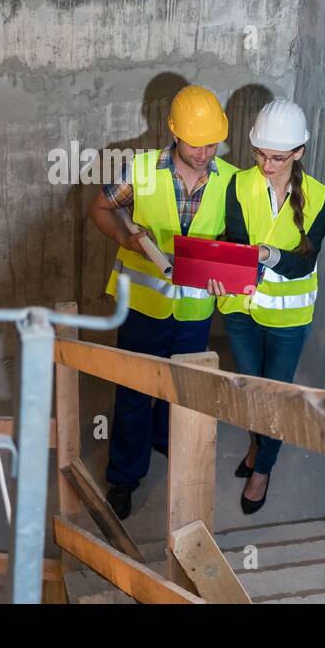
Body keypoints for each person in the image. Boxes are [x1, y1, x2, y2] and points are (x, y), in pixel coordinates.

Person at [88, 84, 239, 520]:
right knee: (135, 391)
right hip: (144, 307)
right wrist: (126, 240)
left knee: (182, 390)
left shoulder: (231, 181)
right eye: (195, 142)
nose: (204, 152)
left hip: (194, 311)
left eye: (212, 142)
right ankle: (123, 477)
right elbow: (98, 209)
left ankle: (164, 440)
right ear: (174, 132)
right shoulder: (140, 170)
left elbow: (236, 244)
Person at [206, 99, 325, 514]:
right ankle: (257, 448)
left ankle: (263, 468)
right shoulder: (237, 184)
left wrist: (267, 256)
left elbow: (303, 262)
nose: (266, 163)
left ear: (299, 153)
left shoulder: (318, 197)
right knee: (251, 391)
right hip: (241, 312)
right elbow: (235, 240)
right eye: (260, 153)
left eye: (278, 157)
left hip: (288, 319)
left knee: (273, 398)